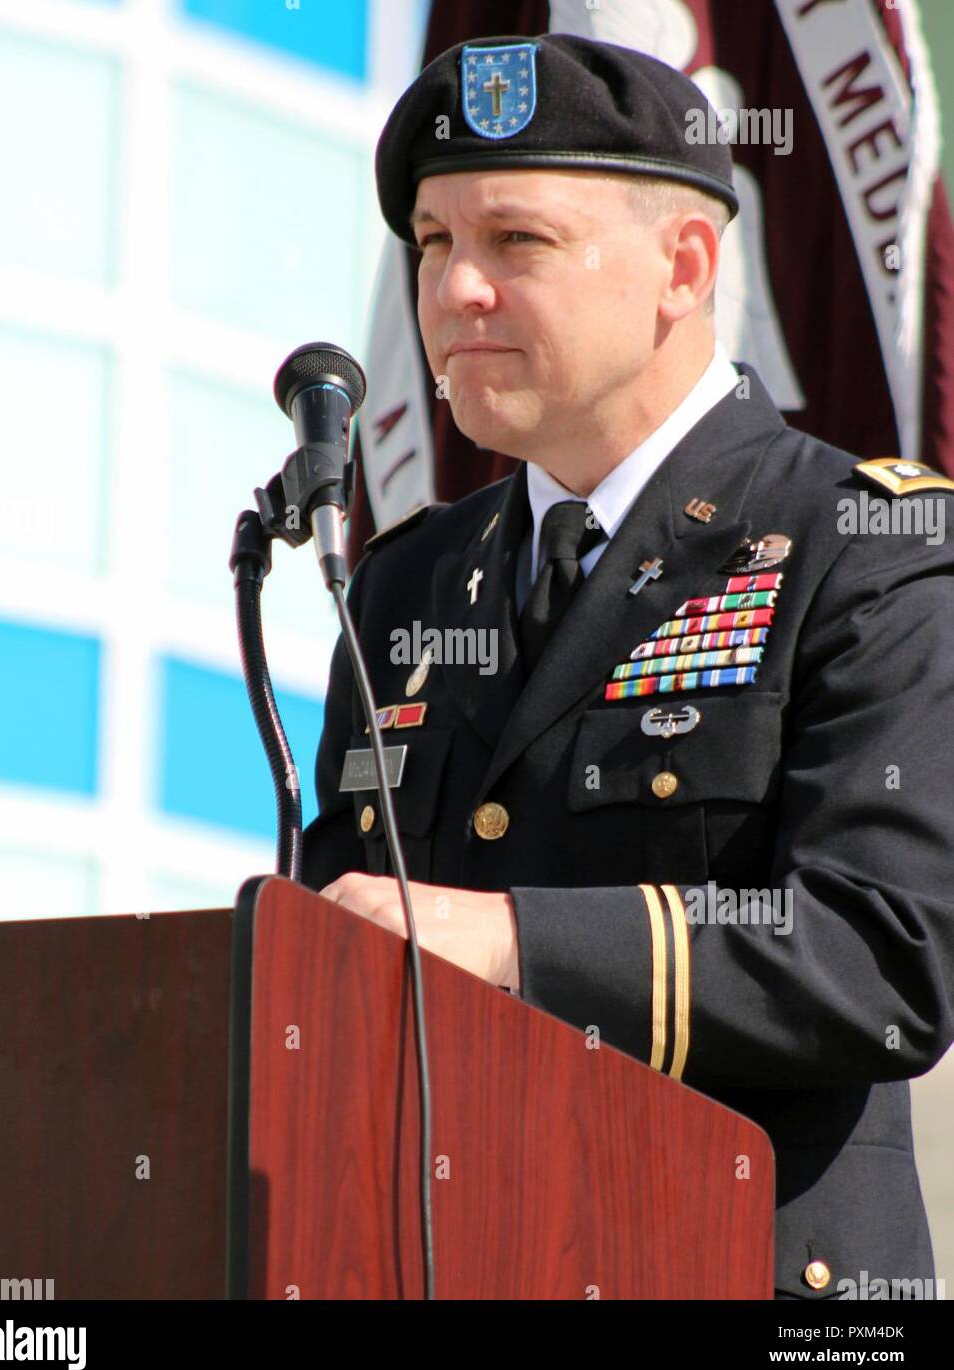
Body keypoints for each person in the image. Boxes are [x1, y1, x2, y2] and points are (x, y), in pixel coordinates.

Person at [301, 33, 954, 1299]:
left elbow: (887, 958)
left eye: (516, 242)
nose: (455, 291)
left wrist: (506, 939)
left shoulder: (864, 542)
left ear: (684, 265)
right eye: (433, 244)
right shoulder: (398, 584)